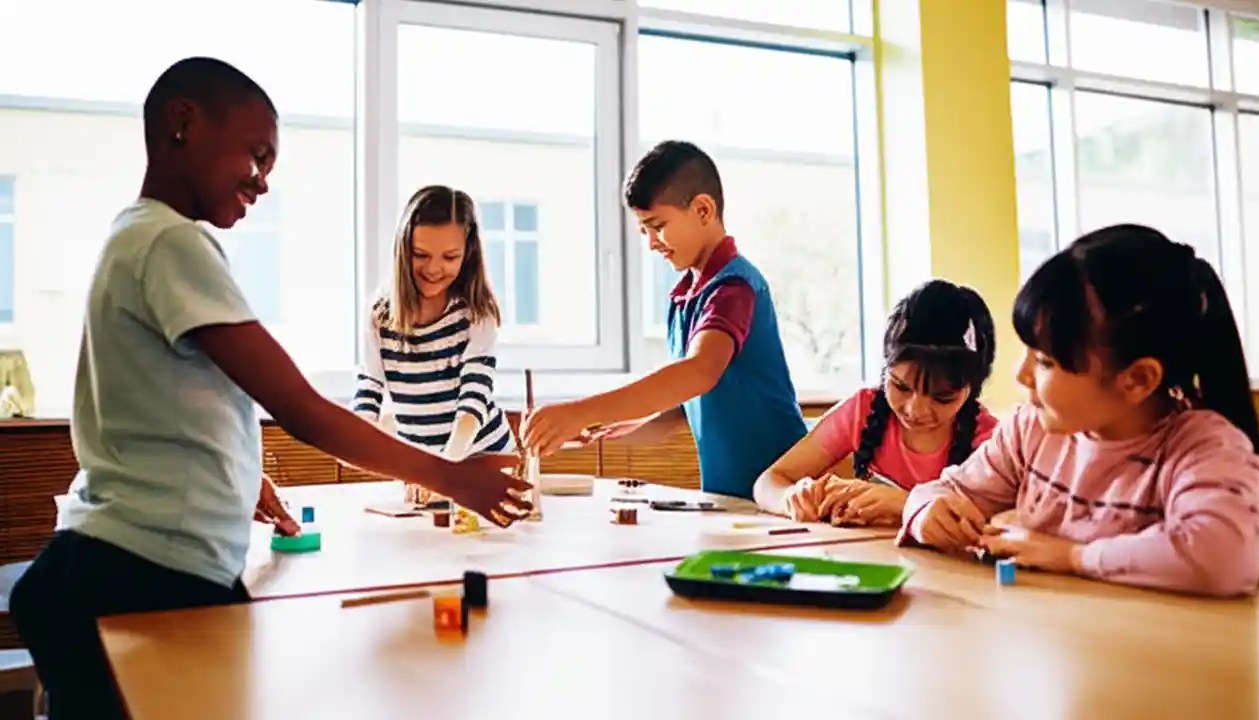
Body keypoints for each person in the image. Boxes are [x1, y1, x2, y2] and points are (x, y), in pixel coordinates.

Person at [9, 57, 529, 720]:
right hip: (144, 570)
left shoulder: (135, 237)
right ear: (183, 123)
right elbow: (302, 408)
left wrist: (241, 476)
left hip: (118, 557)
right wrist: (454, 478)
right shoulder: (171, 244)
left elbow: (161, 398)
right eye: (255, 157)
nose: (261, 183)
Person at [901, 224, 1259, 597]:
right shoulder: (1032, 429)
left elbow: (1222, 557)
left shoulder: (1203, 447)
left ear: (1137, 379)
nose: (1021, 374)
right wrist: (926, 513)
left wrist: (1072, 556)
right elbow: (945, 491)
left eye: (1045, 361)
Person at [521, 140, 806, 499]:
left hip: (783, 491)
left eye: (658, 226)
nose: (652, 243)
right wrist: (616, 422)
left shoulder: (733, 287)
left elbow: (699, 371)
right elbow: (695, 399)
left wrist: (578, 412)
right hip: (732, 496)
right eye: (644, 232)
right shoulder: (684, 296)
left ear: (703, 209)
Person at [755, 279, 998, 526]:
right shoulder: (863, 410)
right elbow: (769, 481)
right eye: (901, 386)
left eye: (942, 397)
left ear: (972, 390)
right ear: (885, 369)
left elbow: (1000, 525)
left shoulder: (992, 442)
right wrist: (791, 498)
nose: (916, 409)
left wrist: (905, 504)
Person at [352, 185, 514, 460]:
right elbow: (370, 387)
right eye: (421, 255)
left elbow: (474, 400)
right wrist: (354, 440)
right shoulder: (380, 314)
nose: (434, 269)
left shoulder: (476, 313)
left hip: (484, 457)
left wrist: (444, 468)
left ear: (468, 253)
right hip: (427, 465)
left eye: (450, 257)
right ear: (403, 250)